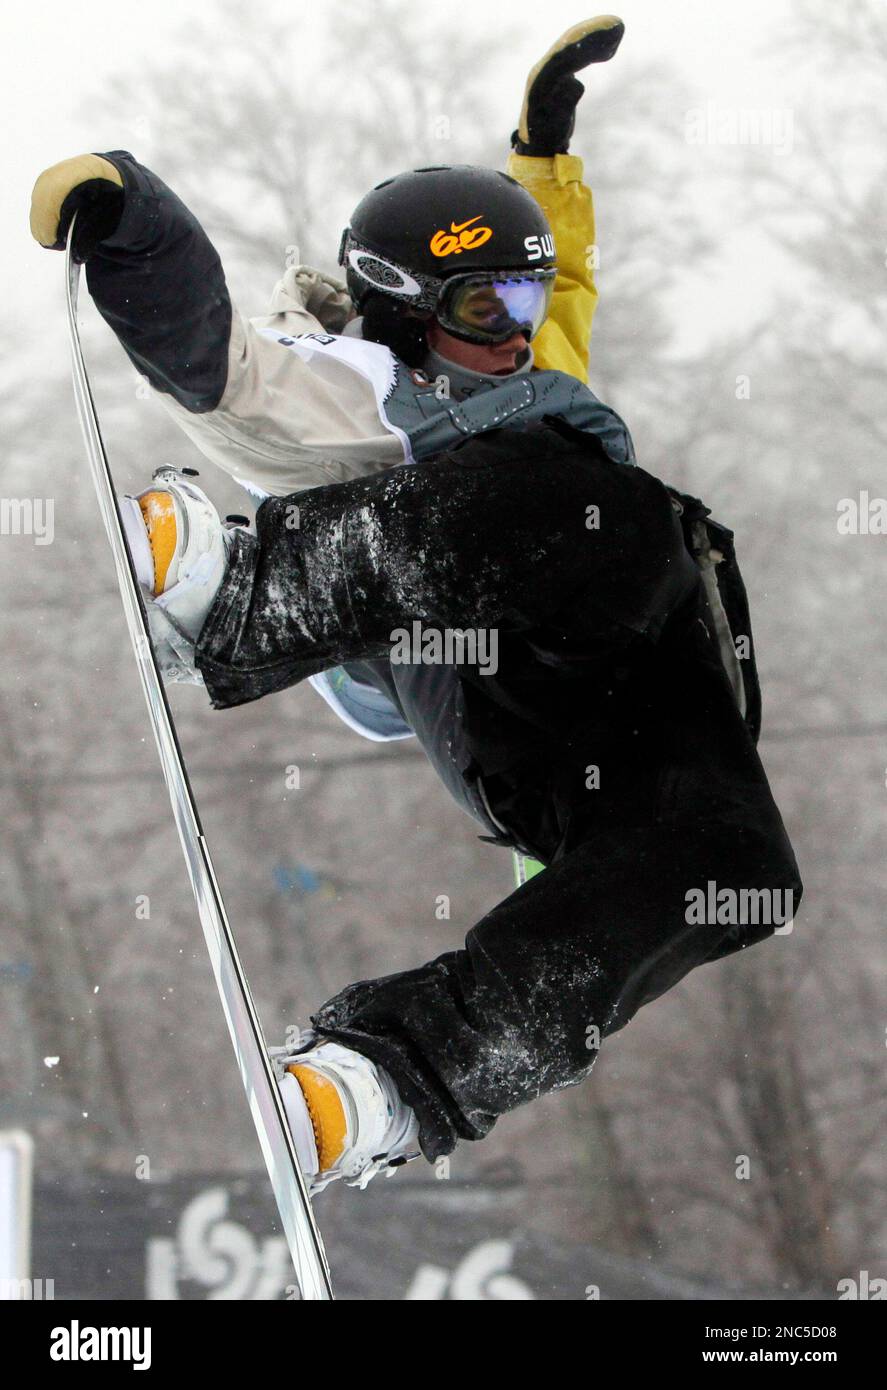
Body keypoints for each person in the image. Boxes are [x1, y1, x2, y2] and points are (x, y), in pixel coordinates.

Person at [30, 16, 802, 1194]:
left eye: (522, 296)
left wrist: (543, 153)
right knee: (601, 503)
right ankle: (245, 597)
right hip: (465, 657)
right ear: (399, 306)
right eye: (483, 307)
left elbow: (564, 288)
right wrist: (130, 218)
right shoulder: (366, 389)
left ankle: (397, 1080)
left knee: (734, 858)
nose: (515, 329)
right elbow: (218, 369)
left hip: (601, 704)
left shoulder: (519, 369)